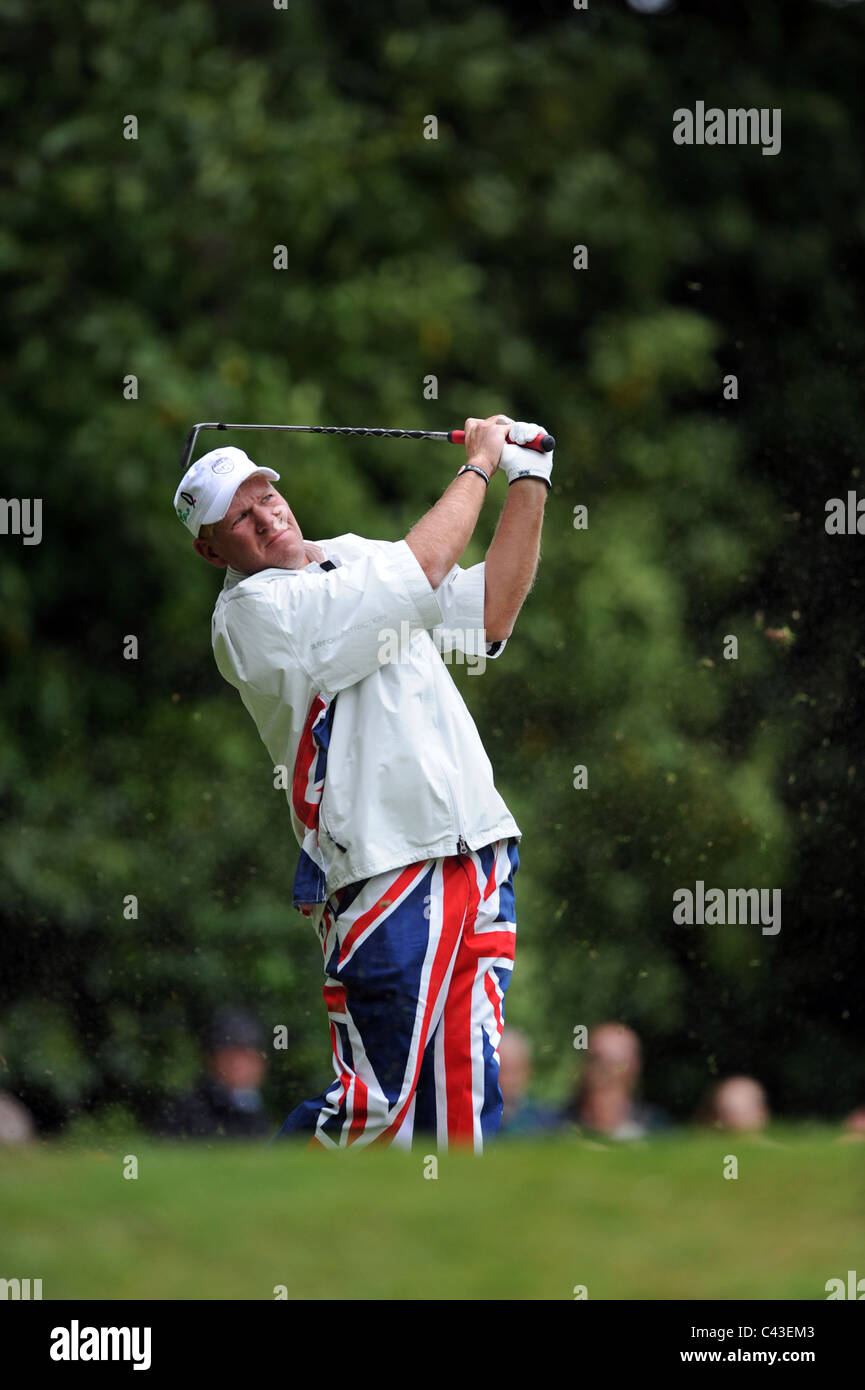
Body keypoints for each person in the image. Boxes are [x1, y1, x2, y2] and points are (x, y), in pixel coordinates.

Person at [172, 414, 551, 1151]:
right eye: (238, 518)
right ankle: (249, 1219)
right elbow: (422, 570)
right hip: (383, 865)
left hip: (477, 848)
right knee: (377, 1104)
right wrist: (479, 464)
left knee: (462, 1108)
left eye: (264, 496)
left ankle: (440, 1260)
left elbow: (491, 613)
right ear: (208, 547)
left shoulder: (351, 556)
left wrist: (529, 477)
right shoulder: (252, 616)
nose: (264, 517)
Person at [157, 1008, 272, 1140]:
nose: (241, 1065)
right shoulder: (188, 1111)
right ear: (212, 1059)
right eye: (232, 1056)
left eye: (249, 1056)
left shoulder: (252, 1109)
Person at [563, 1022, 669, 1140]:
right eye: (595, 1059)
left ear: (634, 1067)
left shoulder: (657, 1128)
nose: (602, 1072)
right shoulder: (554, 1127)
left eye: (612, 1063)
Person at [498, 1027, 562, 1137]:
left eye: (514, 1070)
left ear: (528, 1070)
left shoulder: (547, 1125)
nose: (506, 1079)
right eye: (500, 1070)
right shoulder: (475, 1123)